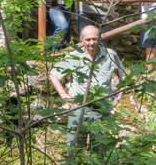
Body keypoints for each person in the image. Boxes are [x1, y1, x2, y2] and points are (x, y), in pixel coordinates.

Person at [50, 24, 127, 153]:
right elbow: (53, 74)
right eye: (88, 39)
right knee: (74, 151)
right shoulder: (74, 57)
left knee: (99, 152)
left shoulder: (110, 55)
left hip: (102, 109)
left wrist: (117, 98)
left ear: (100, 39)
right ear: (82, 41)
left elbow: (124, 76)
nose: (92, 43)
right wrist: (64, 95)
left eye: (94, 39)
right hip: (78, 109)